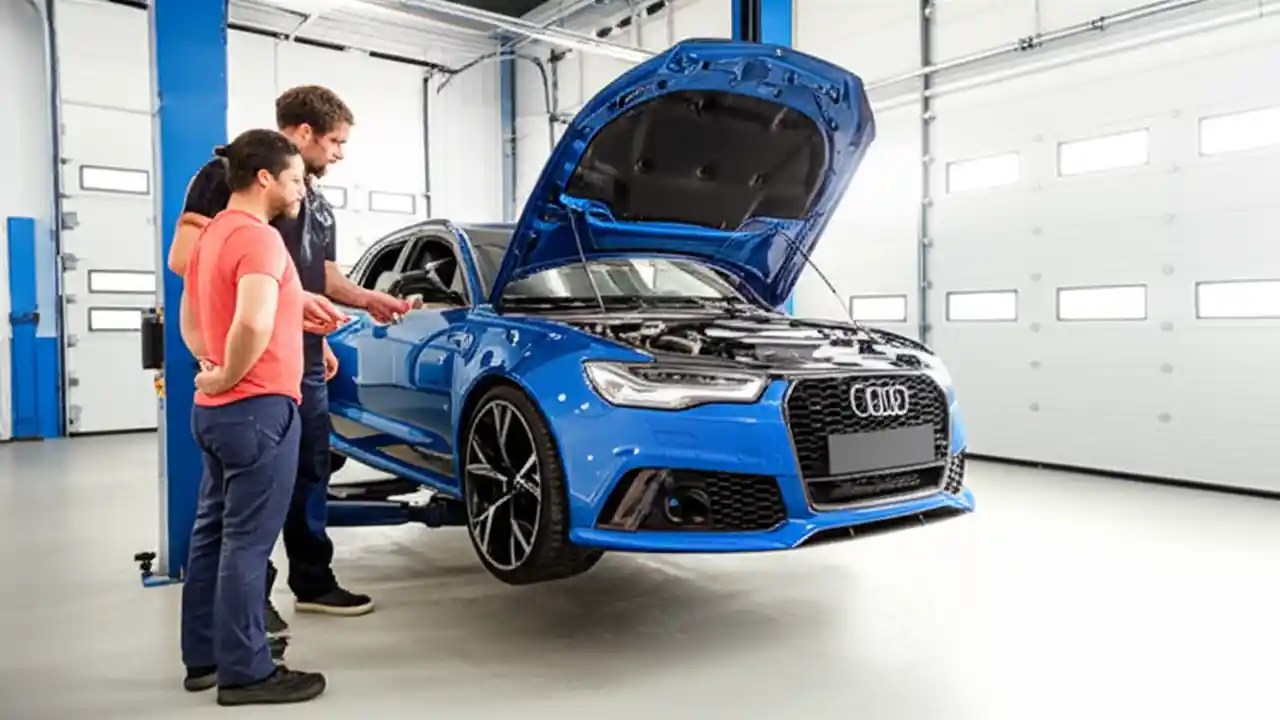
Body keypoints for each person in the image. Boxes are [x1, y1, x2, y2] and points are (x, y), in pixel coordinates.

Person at [169, 85, 413, 628]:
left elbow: (314, 277)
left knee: (308, 473)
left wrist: (367, 304)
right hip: (248, 356)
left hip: (299, 355)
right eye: (335, 142)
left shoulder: (313, 200)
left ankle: (313, 581)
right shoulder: (229, 177)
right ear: (302, 134)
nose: (340, 154)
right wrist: (238, 341)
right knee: (248, 493)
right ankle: (250, 604)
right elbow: (192, 259)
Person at [177, 128, 325, 705]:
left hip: (214, 412)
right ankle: (248, 672)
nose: (300, 192)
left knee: (211, 536)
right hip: (259, 409)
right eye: (294, 180)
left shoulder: (211, 234)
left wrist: (209, 365)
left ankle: (205, 656)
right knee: (247, 543)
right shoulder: (262, 241)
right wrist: (234, 371)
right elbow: (255, 322)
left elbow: (191, 313)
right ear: (264, 178)